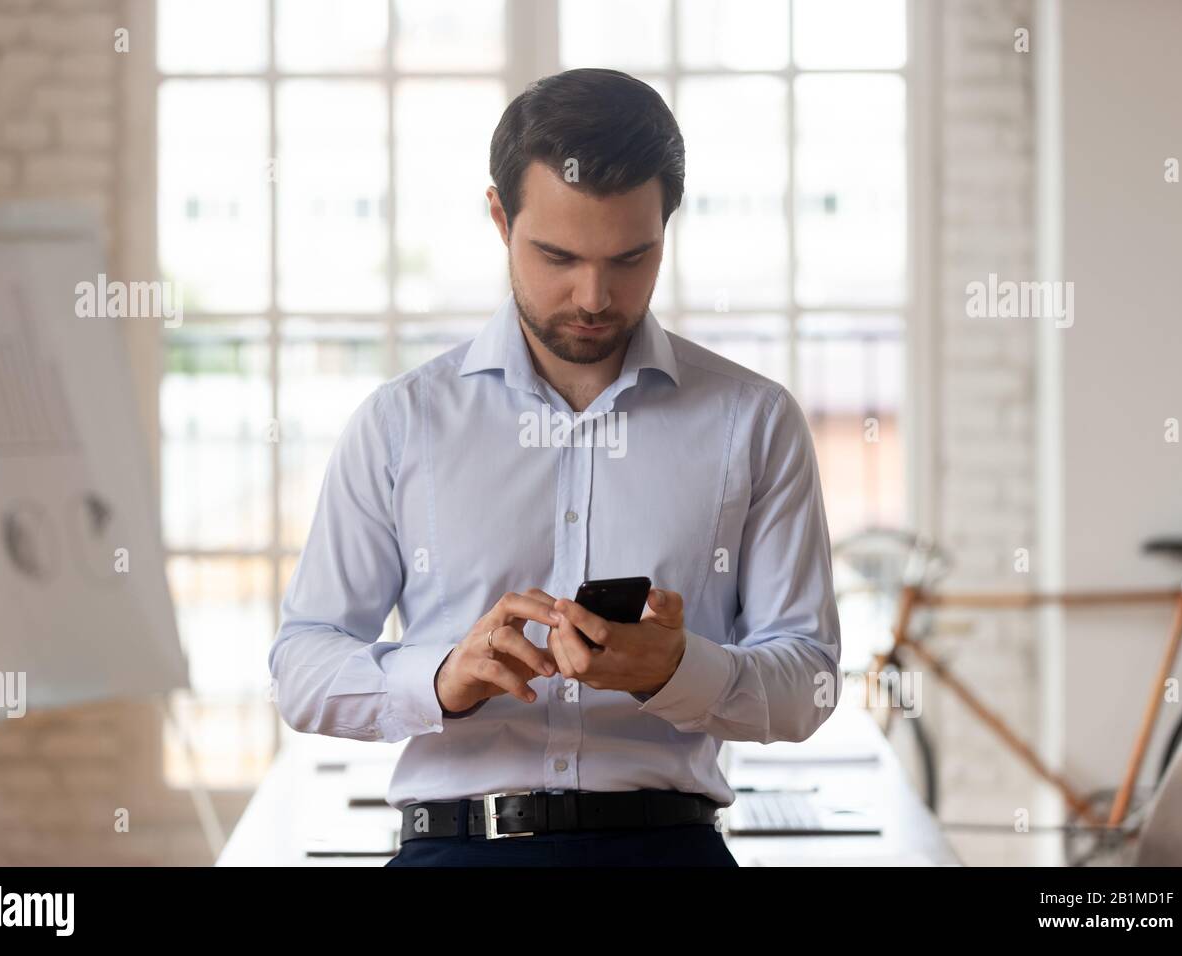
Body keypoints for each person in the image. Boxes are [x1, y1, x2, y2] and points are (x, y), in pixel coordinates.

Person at [269, 68, 841, 867]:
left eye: (631, 258)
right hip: (456, 851)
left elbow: (808, 680)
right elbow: (301, 664)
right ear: (501, 218)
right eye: (558, 256)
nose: (595, 295)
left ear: (666, 227)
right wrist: (438, 679)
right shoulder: (404, 423)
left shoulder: (754, 421)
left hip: (667, 851)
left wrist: (681, 669)